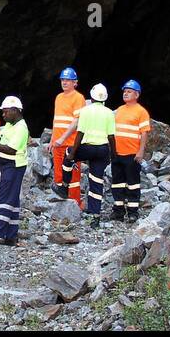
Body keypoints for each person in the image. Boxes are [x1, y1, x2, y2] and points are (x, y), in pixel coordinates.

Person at [57, 83, 116, 226]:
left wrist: (73, 153)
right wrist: (113, 155)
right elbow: (111, 137)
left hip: (88, 147)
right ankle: (95, 217)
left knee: (67, 153)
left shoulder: (85, 111)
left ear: (91, 96)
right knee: (96, 181)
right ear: (105, 98)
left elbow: (80, 133)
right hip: (102, 150)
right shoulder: (109, 112)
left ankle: (64, 185)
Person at [0, 96, 28, 246]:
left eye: (6, 112)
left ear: (15, 110)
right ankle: (11, 235)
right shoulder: (11, 125)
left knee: (5, 200)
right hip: (7, 166)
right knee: (13, 200)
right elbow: (0, 136)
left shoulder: (21, 128)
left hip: (14, 166)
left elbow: (11, 149)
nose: (3, 115)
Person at [111, 80, 150, 222]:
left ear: (137, 94)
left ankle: (133, 212)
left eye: (129, 91)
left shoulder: (141, 111)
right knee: (117, 183)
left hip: (132, 154)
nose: (125, 93)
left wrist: (140, 152)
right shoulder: (119, 110)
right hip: (117, 153)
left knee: (133, 183)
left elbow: (144, 133)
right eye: (124, 91)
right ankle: (118, 211)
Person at [49, 67, 85, 207]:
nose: (64, 82)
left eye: (68, 80)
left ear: (74, 83)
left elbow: (76, 122)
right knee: (58, 173)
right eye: (63, 79)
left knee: (73, 176)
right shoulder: (58, 97)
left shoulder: (78, 97)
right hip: (58, 143)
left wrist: (62, 138)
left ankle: (75, 204)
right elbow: (56, 120)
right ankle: (61, 204)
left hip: (71, 144)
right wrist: (53, 139)